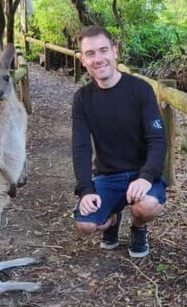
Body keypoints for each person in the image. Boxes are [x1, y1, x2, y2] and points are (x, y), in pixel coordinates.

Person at [71, 26, 167, 258]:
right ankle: (113, 218)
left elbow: (157, 139)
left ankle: (138, 226)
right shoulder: (83, 98)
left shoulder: (140, 89)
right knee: (85, 225)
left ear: (115, 51)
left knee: (145, 206)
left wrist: (146, 177)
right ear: (82, 59)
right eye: (90, 53)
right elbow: (81, 148)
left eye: (103, 50)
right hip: (108, 176)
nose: (98, 59)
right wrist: (86, 190)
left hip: (142, 173)